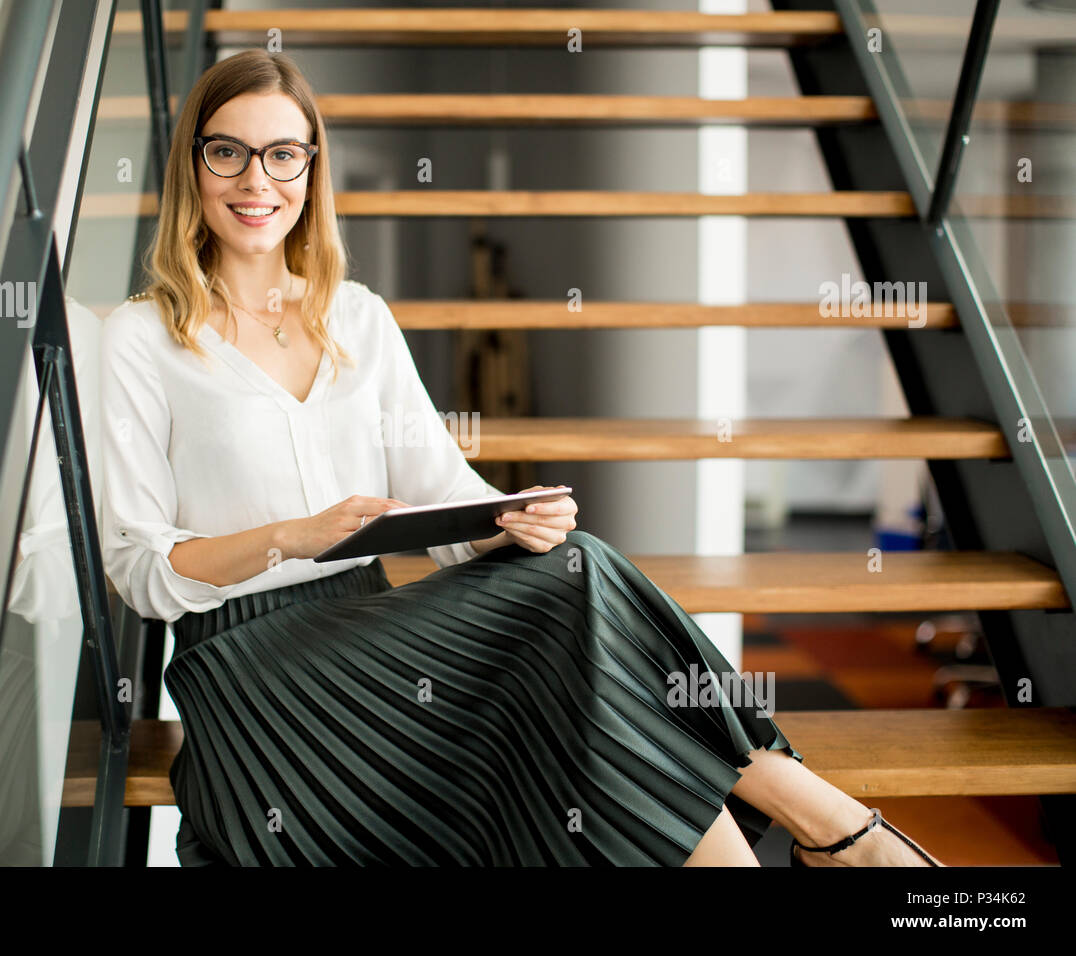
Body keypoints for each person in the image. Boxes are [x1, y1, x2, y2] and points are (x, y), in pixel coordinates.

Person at [98, 49, 943, 867]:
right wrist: (293, 537)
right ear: (193, 167)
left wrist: (506, 520)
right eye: (228, 153)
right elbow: (138, 567)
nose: (257, 181)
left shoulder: (357, 319)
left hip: (375, 635)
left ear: (312, 171)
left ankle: (819, 830)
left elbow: (441, 495)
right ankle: (830, 825)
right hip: (252, 671)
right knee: (573, 626)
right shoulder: (142, 337)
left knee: (570, 568)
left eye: (283, 154)